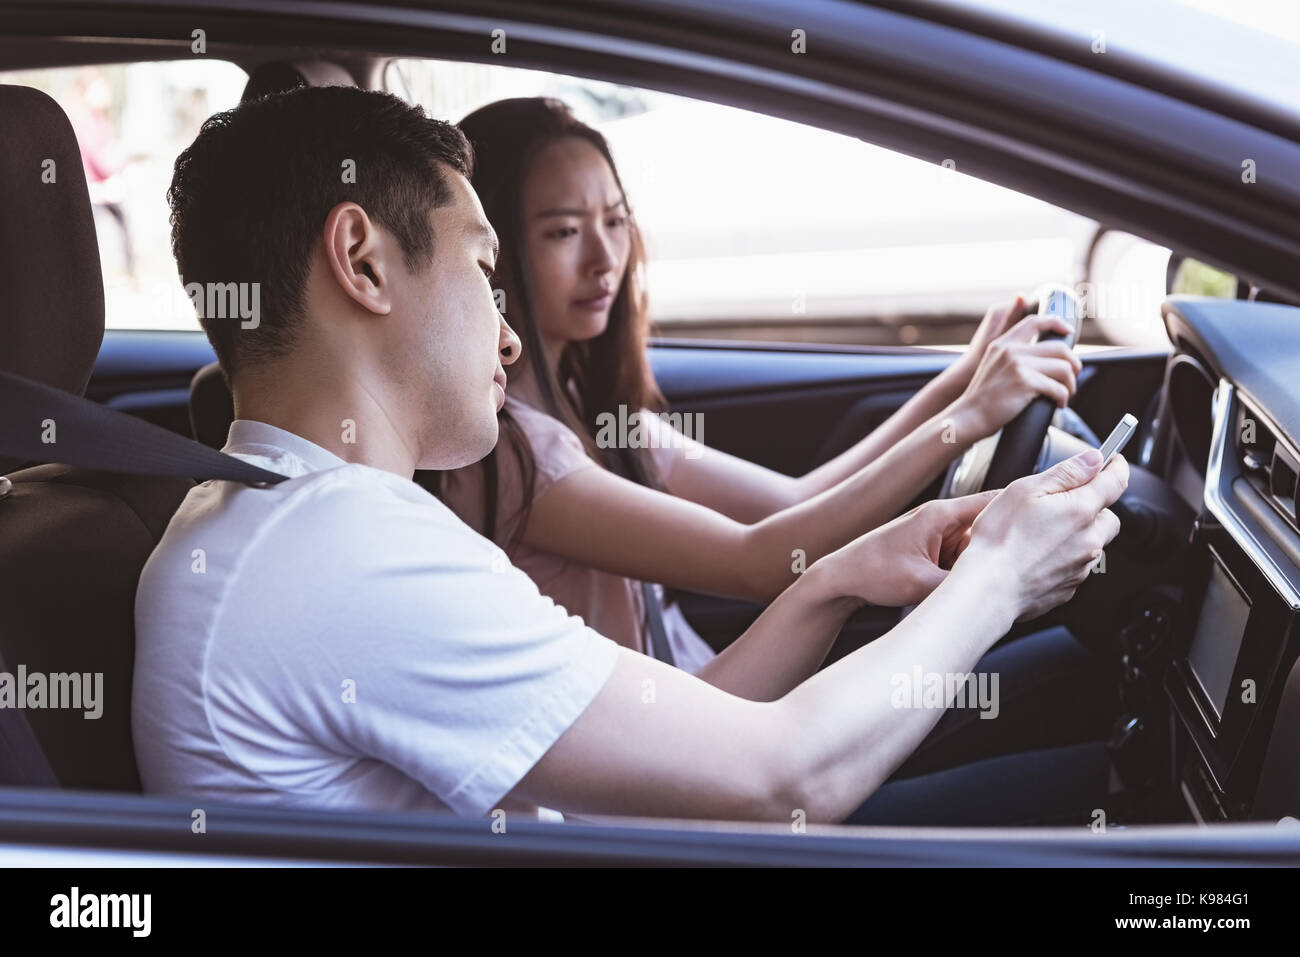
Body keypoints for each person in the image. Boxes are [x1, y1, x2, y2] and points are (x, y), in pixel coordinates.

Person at [133, 86, 1126, 827]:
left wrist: (832, 582)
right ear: (361, 261)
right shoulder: (336, 547)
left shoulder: (279, 515)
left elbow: (679, 732)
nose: (509, 335)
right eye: (485, 270)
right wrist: (1000, 573)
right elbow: (780, 782)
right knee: (1110, 797)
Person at [429, 97, 1084, 674]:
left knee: (1058, 667)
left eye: (616, 220)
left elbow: (788, 502)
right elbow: (764, 560)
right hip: (674, 777)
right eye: (564, 231)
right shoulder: (514, 453)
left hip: (710, 709)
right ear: (493, 252)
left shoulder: (583, 403)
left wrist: (961, 380)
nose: (604, 259)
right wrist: (966, 418)